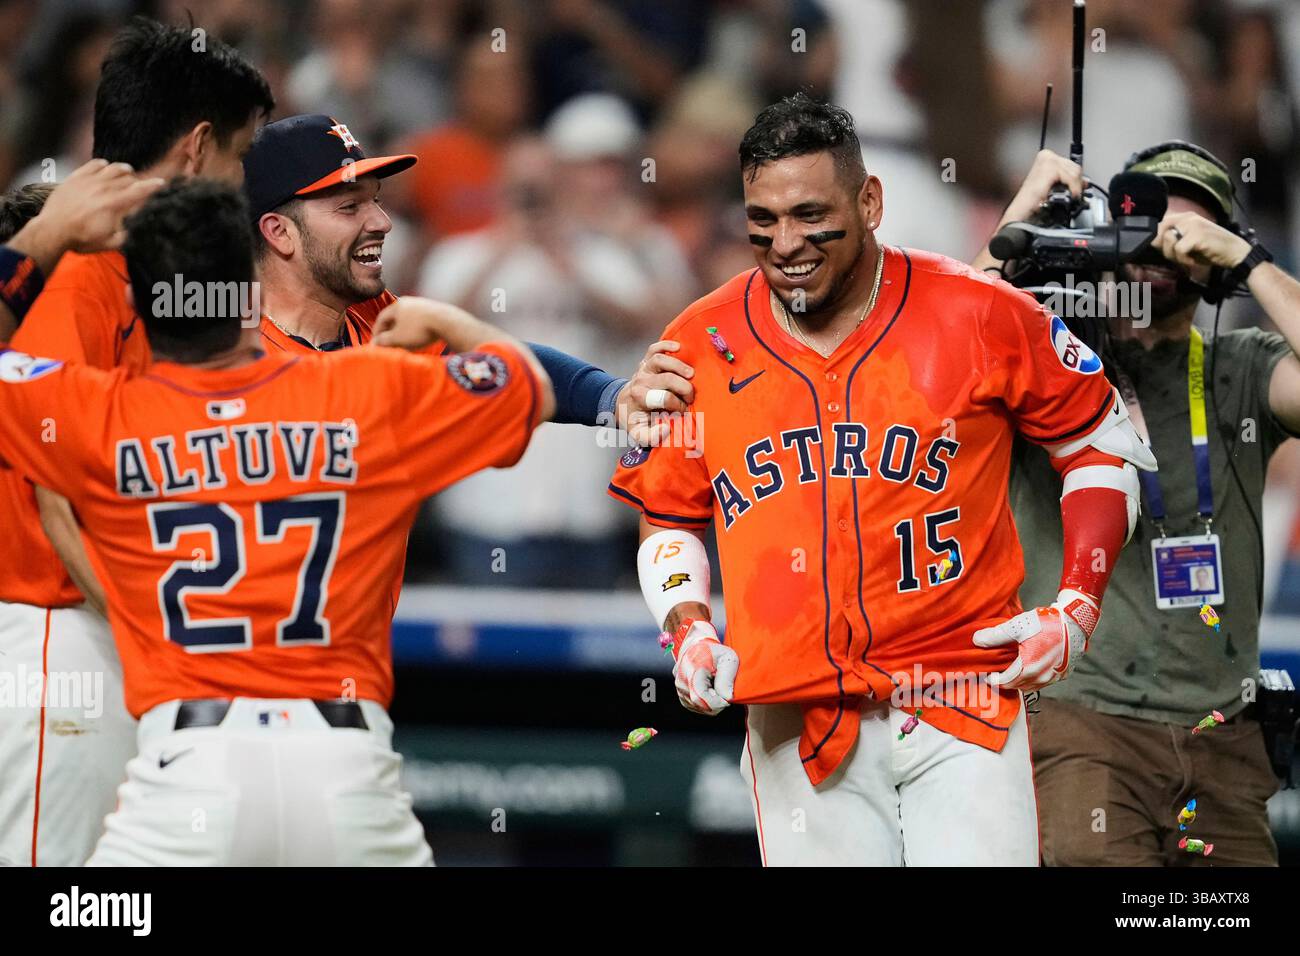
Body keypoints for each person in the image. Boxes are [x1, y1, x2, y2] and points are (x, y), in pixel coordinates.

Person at [607, 94, 1155, 866]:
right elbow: (667, 514)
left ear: (870, 202)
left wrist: (1075, 606)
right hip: (796, 719)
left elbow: (1100, 445)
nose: (785, 242)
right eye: (762, 220)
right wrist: (688, 627)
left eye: (809, 214)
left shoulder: (978, 312)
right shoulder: (699, 341)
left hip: (962, 700)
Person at [0, 179, 555, 866]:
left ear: (140, 305)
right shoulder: (363, 389)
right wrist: (446, 324)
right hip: (347, 774)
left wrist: (43, 241)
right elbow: (527, 386)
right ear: (249, 290)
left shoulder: (98, 415)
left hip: (186, 776)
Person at [977, 143, 1300, 866]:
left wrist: (1250, 263)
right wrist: (1020, 219)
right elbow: (939, 376)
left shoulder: (1240, 368)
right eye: (1147, 217)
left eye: (1191, 227)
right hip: (1083, 726)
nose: (1164, 238)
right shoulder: (1051, 360)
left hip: (1224, 736)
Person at [0, 16, 272, 868]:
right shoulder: (89, 267)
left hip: (106, 631)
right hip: (58, 630)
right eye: (240, 156)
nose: (243, 182)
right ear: (196, 149)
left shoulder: (156, 271)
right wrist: (153, 634)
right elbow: (54, 482)